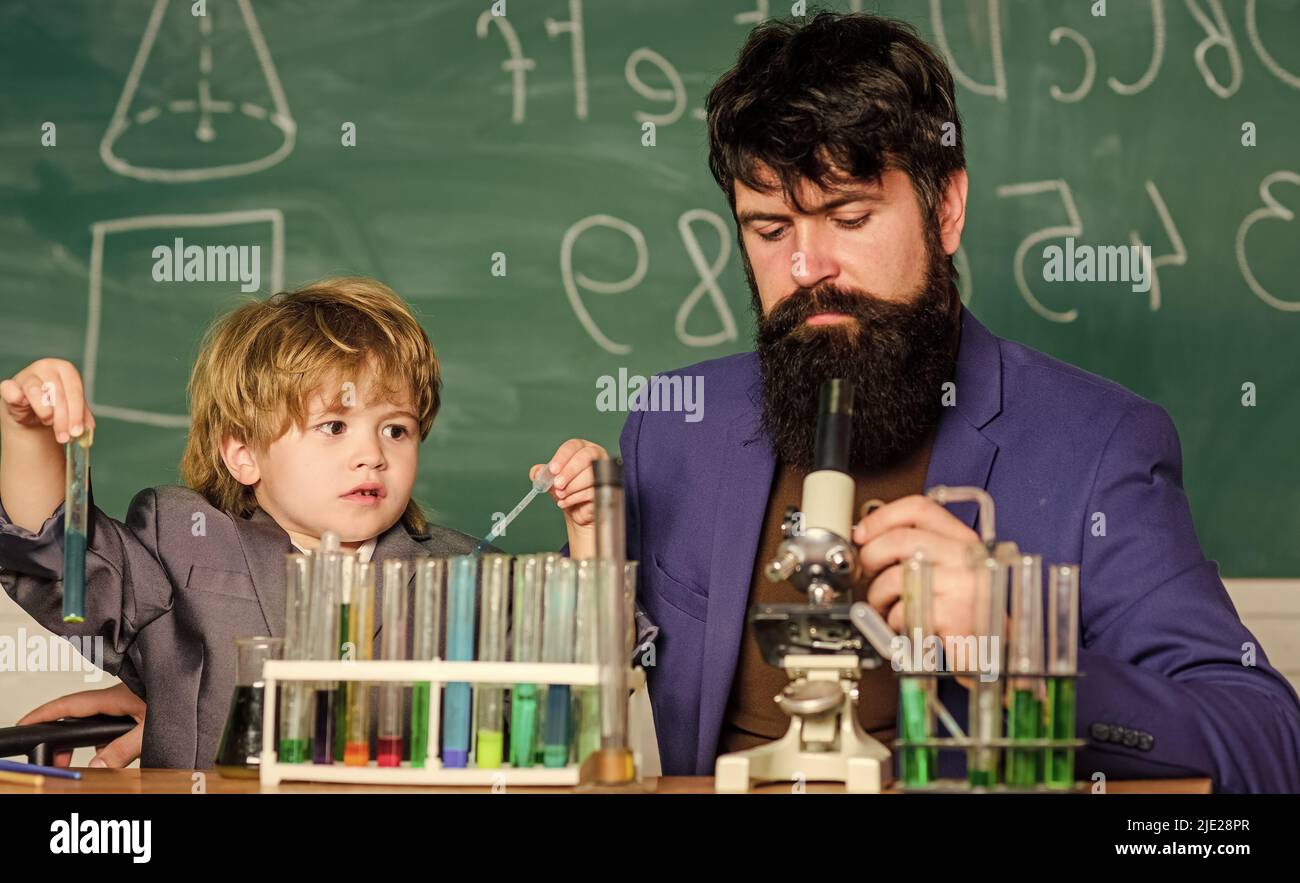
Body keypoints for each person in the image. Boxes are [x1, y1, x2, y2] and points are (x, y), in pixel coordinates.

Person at [621, 11, 1300, 791]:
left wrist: (1017, 653)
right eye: (771, 228)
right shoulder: (672, 429)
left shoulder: (1098, 445)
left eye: (848, 217)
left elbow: (1269, 742)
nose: (807, 265)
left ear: (946, 208)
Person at [0, 277, 606, 768]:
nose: (372, 453)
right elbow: (53, 556)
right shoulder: (183, 542)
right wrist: (27, 432)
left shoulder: (460, 572)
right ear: (243, 453)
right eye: (334, 427)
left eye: (396, 428)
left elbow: (576, 672)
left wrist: (588, 524)